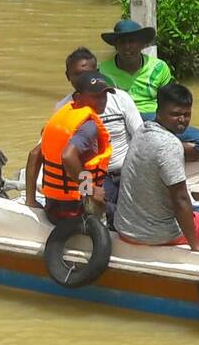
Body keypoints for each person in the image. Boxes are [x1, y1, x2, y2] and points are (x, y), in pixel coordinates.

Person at [113, 83, 199, 251]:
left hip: (125, 227)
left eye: (186, 114)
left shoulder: (142, 130)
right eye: (175, 114)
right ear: (159, 111)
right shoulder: (169, 145)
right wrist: (195, 243)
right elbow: (180, 200)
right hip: (155, 233)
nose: (182, 120)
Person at [97, 19, 199, 158]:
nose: (127, 47)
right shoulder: (103, 70)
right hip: (121, 119)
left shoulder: (158, 67)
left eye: (132, 41)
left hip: (154, 118)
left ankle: (156, 154)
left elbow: (170, 101)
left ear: (142, 44)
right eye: (122, 42)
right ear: (115, 46)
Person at [55, 48, 143, 219]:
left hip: (128, 170)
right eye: (78, 74)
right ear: (68, 76)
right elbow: (62, 156)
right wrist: (88, 189)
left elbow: (140, 138)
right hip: (96, 180)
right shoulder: (63, 110)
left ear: (98, 73)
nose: (85, 79)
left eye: (89, 73)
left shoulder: (120, 98)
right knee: (98, 216)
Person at [25, 72, 112, 225]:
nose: (102, 100)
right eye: (96, 96)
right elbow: (68, 156)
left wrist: (30, 199)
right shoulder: (88, 126)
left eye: (104, 95)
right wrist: (90, 189)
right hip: (77, 208)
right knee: (115, 211)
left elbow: (34, 154)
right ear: (78, 97)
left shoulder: (62, 117)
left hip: (53, 206)